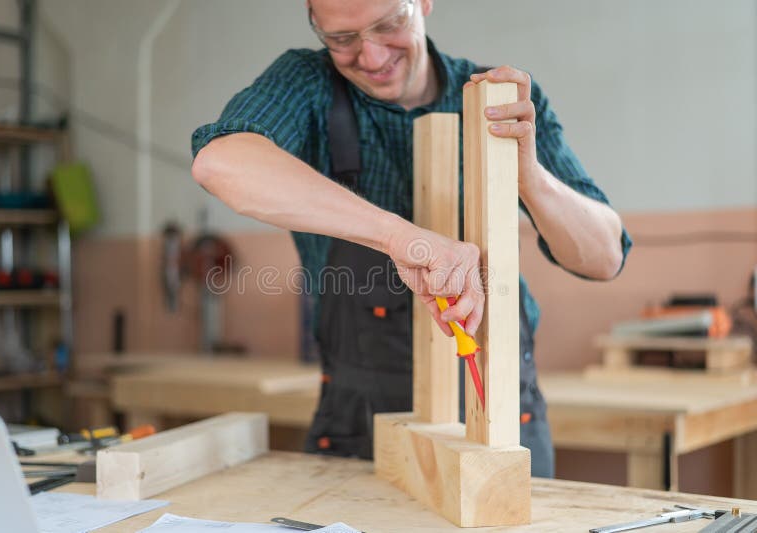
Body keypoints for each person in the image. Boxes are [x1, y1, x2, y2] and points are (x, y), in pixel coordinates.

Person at [191, 0, 632, 477]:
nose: (373, 57)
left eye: (389, 26)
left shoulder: (499, 101)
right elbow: (221, 163)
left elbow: (604, 257)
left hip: (504, 418)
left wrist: (530, 176)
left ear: (422, 3)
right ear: (315, 23)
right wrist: (400, 237)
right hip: (361, 424)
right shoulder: (308, 84)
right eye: (342, 40)